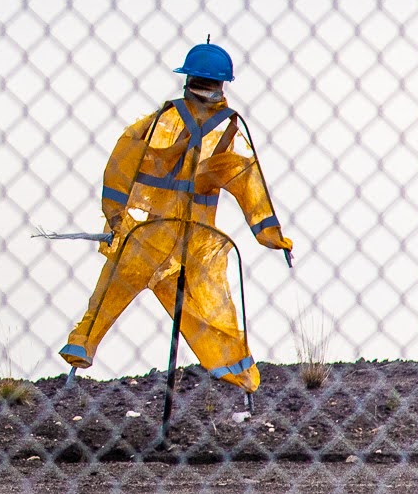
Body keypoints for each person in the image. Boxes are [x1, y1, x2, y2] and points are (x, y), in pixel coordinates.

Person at [59, 42, 292, 393]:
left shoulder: (161, 121)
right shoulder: (229, 128)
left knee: (110, 291)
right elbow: (251, 184)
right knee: (211, 309)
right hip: (196, 239)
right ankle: (238, 374)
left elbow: (121, 164)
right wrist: (271, 236)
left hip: (151, 233)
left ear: (187, 78)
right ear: (222, 84)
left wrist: (116, 220)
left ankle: (81, 348)